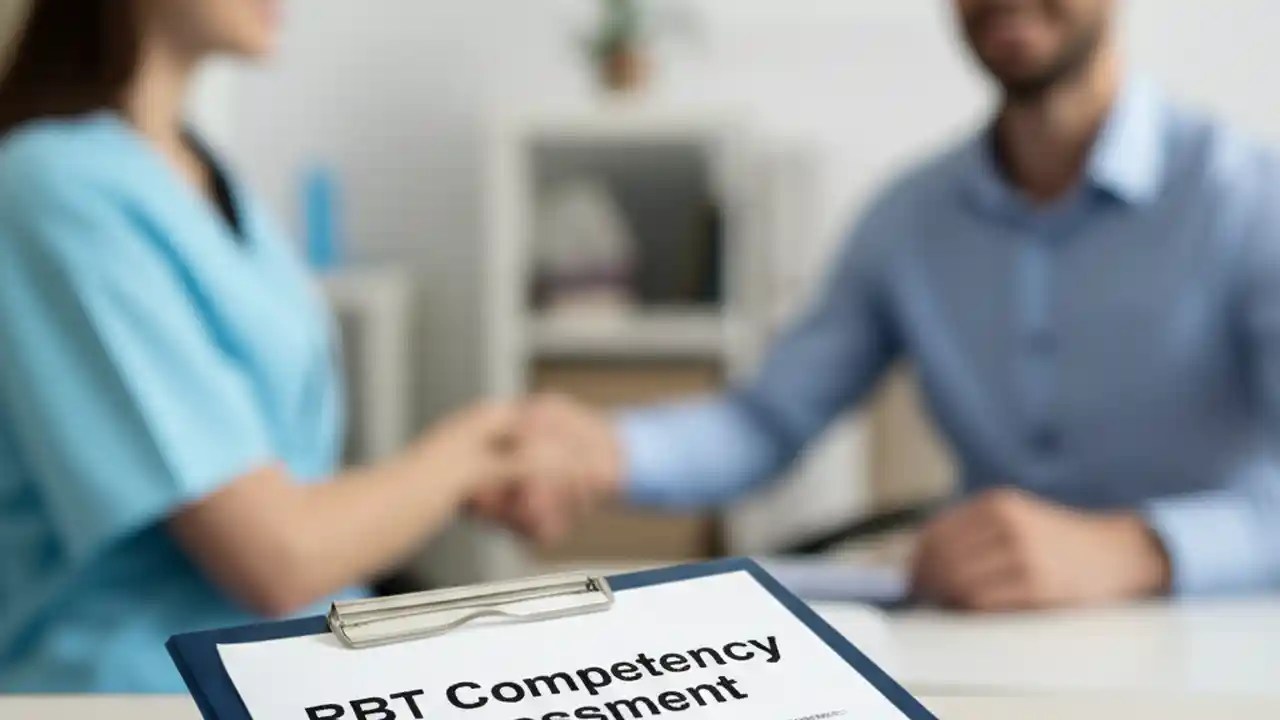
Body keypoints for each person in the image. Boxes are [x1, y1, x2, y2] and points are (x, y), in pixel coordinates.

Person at [477, 0, 1280, 610]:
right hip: (978, 641)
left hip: (1213, 639)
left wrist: (1142, 551)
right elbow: (768, 420)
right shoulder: (907, 220)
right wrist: (607, 449)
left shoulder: (1250, 199)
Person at [0, 0, 515, 692]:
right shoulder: (51, 188)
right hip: (136, 686)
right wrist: (476, 450)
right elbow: (278, 558)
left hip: (294, 664)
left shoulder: (200, 175)